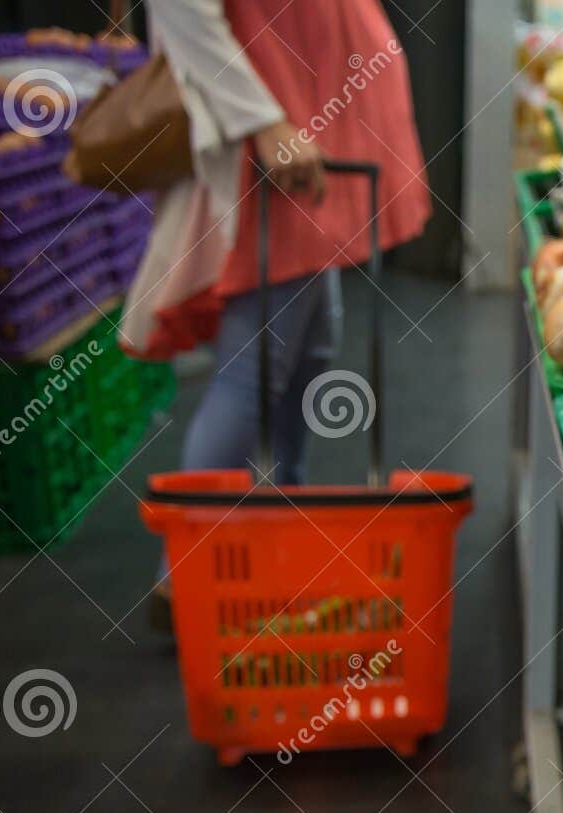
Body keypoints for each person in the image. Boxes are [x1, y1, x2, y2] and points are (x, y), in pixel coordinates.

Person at [121, 0, 430, 623]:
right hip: (286, 135)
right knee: (254, 366)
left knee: (307, 348)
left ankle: (274, 534)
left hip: (311, 126)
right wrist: (265, 123)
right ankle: (181, 575)